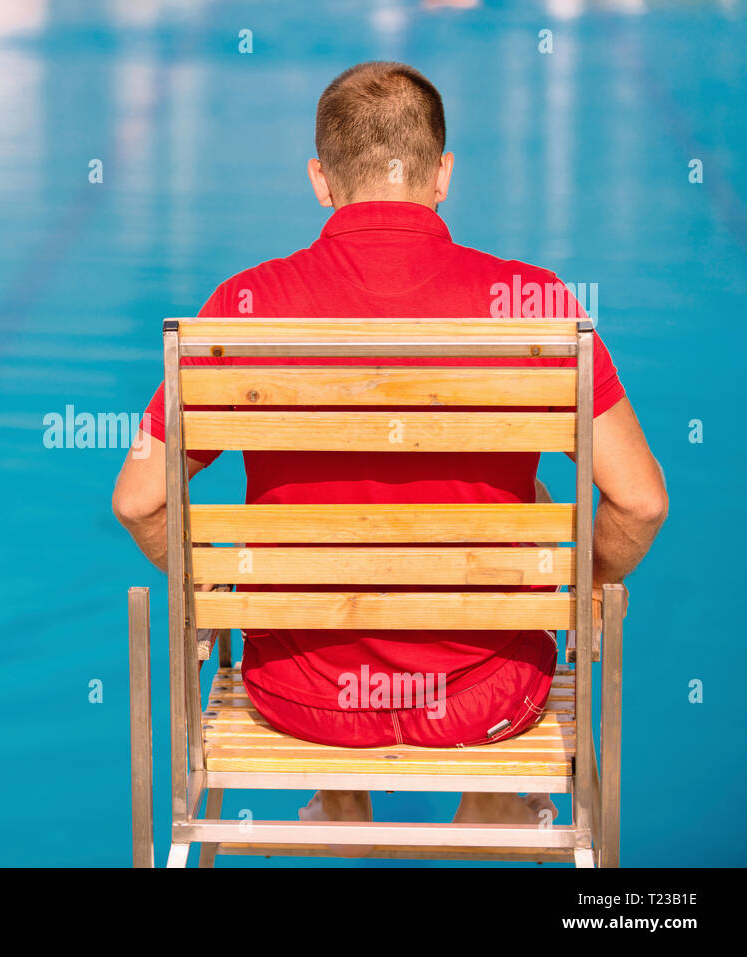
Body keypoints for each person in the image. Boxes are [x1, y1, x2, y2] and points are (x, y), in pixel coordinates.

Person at [111, 61, 667, 835]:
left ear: (320, 179)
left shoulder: (243, 310)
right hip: (488, 692)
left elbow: (137, 499)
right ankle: (492, 801)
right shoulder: (535, 309)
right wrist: (576, 590)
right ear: (442, 174)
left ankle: (340, 794)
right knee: (532, 506)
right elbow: (640, 500)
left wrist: (232, 586)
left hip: (303, 697)